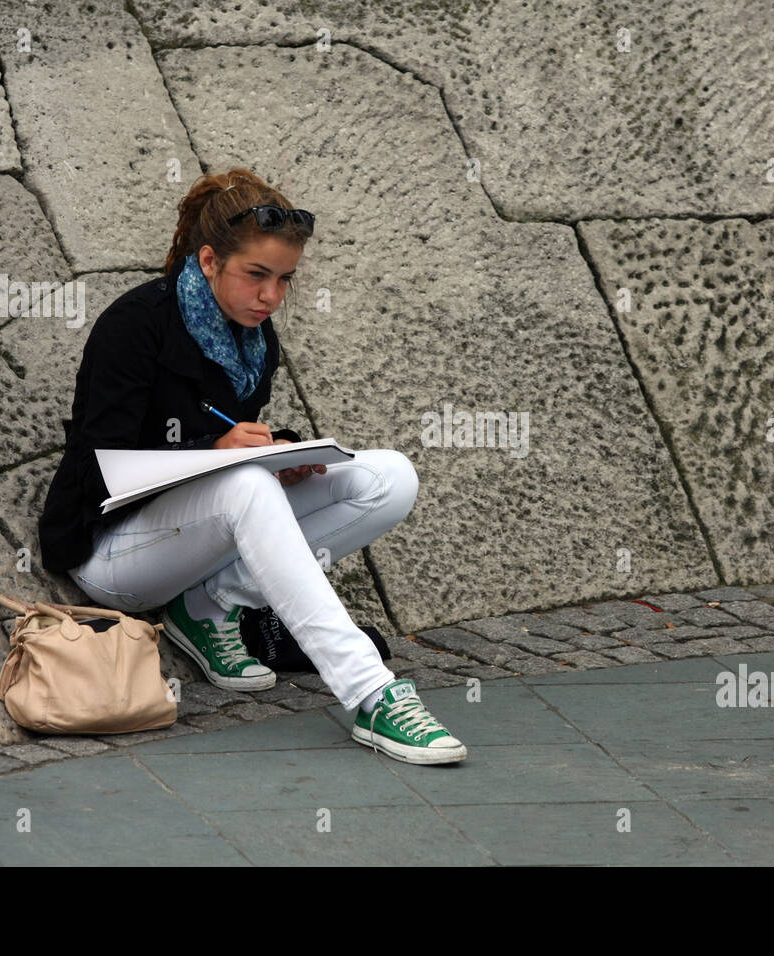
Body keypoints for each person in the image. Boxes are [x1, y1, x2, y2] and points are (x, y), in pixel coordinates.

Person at [36, 168, 466, 765]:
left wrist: (279, 452)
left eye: (285, 280)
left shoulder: (254, 341)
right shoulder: (135, 325)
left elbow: (226, 437)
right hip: (112, 553)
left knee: (389, 476)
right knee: (243, 485)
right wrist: (214, 453)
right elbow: (101, 464)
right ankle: (372, 693)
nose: (271, 297)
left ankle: (209, 606)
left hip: (199, 534)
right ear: (209, 260)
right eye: (256, 276)